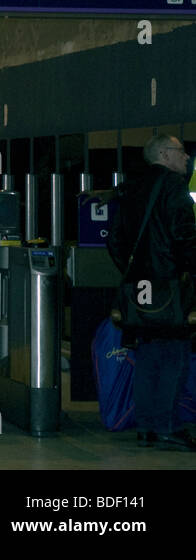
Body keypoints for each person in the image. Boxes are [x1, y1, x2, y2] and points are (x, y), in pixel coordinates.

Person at [112, 134, 196, 450]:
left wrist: (135, 271)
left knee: (147, 354)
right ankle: (167, 425)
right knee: (175, 356)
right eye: (181, 152)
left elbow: (115, 239)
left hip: (139, 289)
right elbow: (184, 236)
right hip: (171, 288)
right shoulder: (174, 187)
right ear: (164, 154)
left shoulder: (132, 188)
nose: (186, 158)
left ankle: (147, 425)